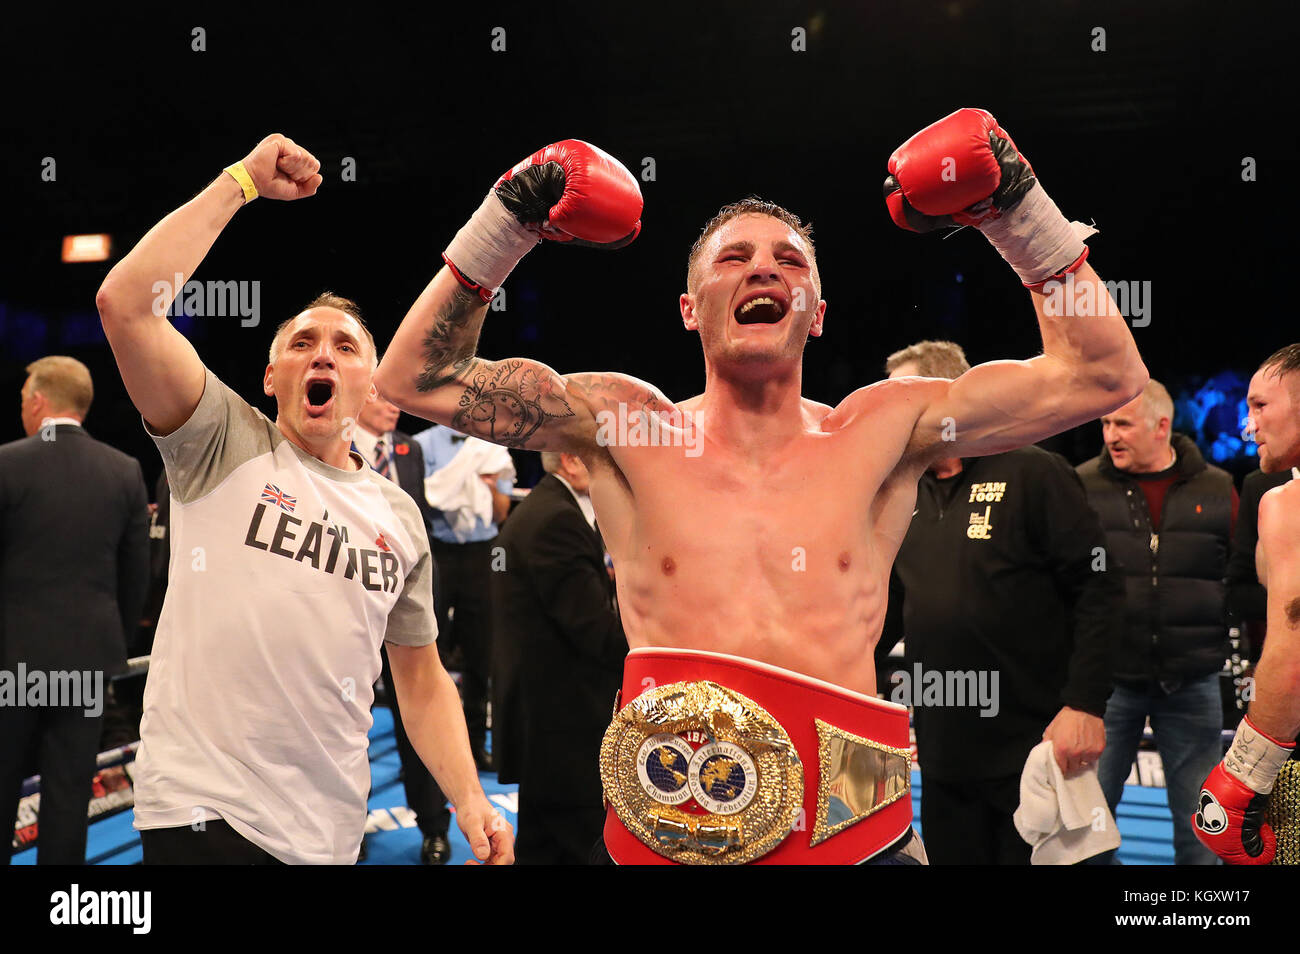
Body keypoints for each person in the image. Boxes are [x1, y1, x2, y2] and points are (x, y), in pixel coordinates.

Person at [374, 112, 1149, 865]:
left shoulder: (883, 431)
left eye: (791, 260)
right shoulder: (624, 427)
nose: (764, 267)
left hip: (854, 829)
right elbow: (416, 378)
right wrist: (507, 220)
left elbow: (1103, 375)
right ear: (689, 309)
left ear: (816, 316)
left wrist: (1018, 210)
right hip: (668, 823)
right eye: (733, 257)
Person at [95, 133, 512, 865]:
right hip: (204, 814)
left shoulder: (398, 517)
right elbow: (127, 305)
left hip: (330, 832)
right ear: (269, 377)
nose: (323, 353)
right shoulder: (220, 441)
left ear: (372, 384)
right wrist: (240, 183)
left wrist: (469, 795)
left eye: (346, 347)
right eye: (302, 342)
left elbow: (420, 682)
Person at [881, 340, 1119, 864]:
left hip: (1033, 748)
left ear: (950, 401)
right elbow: (886, 612)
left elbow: (1098, 586)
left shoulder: (1034, 471)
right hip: (943, 757)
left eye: (905, 400)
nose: (893, 415)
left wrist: (1085, 705)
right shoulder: (903, 493)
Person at [1077, 379, 1237, 864]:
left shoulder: (1217, 488)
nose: (1110, 435)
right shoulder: (1081, 485)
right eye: (1104, 423)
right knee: (1087, 823)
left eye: (1121, 423)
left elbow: (1246, 578)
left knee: (1202, 826)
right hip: (1105, 685)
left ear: (1161, 425)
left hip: (1192, 681)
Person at [1, 356, 150, 864]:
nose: (22, 406)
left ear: (39, 401)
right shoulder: (124, 470)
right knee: (67, 800)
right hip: (86, 663)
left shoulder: (7, 463)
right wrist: (114, 641)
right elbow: (135, 579)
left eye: (24, 397)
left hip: (12, 663)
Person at [492, 451, 627, 864]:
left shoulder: (549, 508)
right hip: (562, 729)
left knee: (543, 843)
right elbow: (599, 634)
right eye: (602, 459)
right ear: (571, 460)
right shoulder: (557, 520)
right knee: (572, 842)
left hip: (547, 724)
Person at [1194, 344, 1300, 864]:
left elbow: (1295, 640)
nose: (1248, 421)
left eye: (1261, 406)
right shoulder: (1273, 493)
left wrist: (1245, 772)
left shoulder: (1290, 505)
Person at [351, 393, 453, 865]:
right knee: (348, 719)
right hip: (349, 603)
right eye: (381, 397)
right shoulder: (333, 446)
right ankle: (349, 824)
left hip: (404, 603)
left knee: (421, 703)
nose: (393, 407)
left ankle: (434, 826)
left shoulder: (408, 449)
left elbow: (420, 529)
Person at [411, 422, 514, 772]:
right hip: (436, 550)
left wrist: (489, 486)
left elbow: (501, 512)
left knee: (480, 652)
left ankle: (473, 745)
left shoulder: (493, 445)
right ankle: (427, 749)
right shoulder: (421, 446)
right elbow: (416, 502)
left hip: (482, 554)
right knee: (425, 648)